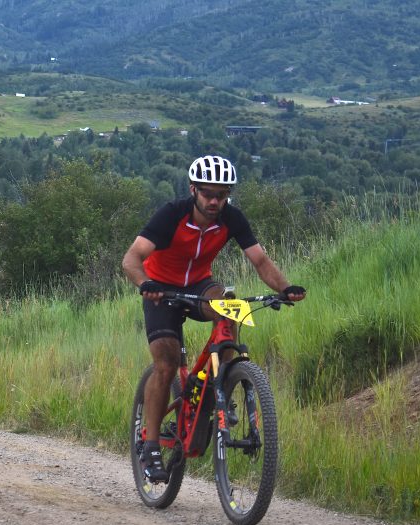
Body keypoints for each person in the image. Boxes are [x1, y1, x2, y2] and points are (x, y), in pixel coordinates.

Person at [121, 155, 306, 483]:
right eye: (207, 193)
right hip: (161, 289)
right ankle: (150, 445)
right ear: (193, 190)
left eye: (221, 195)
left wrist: (284, 288)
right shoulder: (172, 214)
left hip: (199, 286)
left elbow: (260, 260)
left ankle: (222, 386)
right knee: (166, 363)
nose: (214, 201)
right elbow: (132, 258)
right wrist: (144, 283)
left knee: (230, 307)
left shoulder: (231, 218)